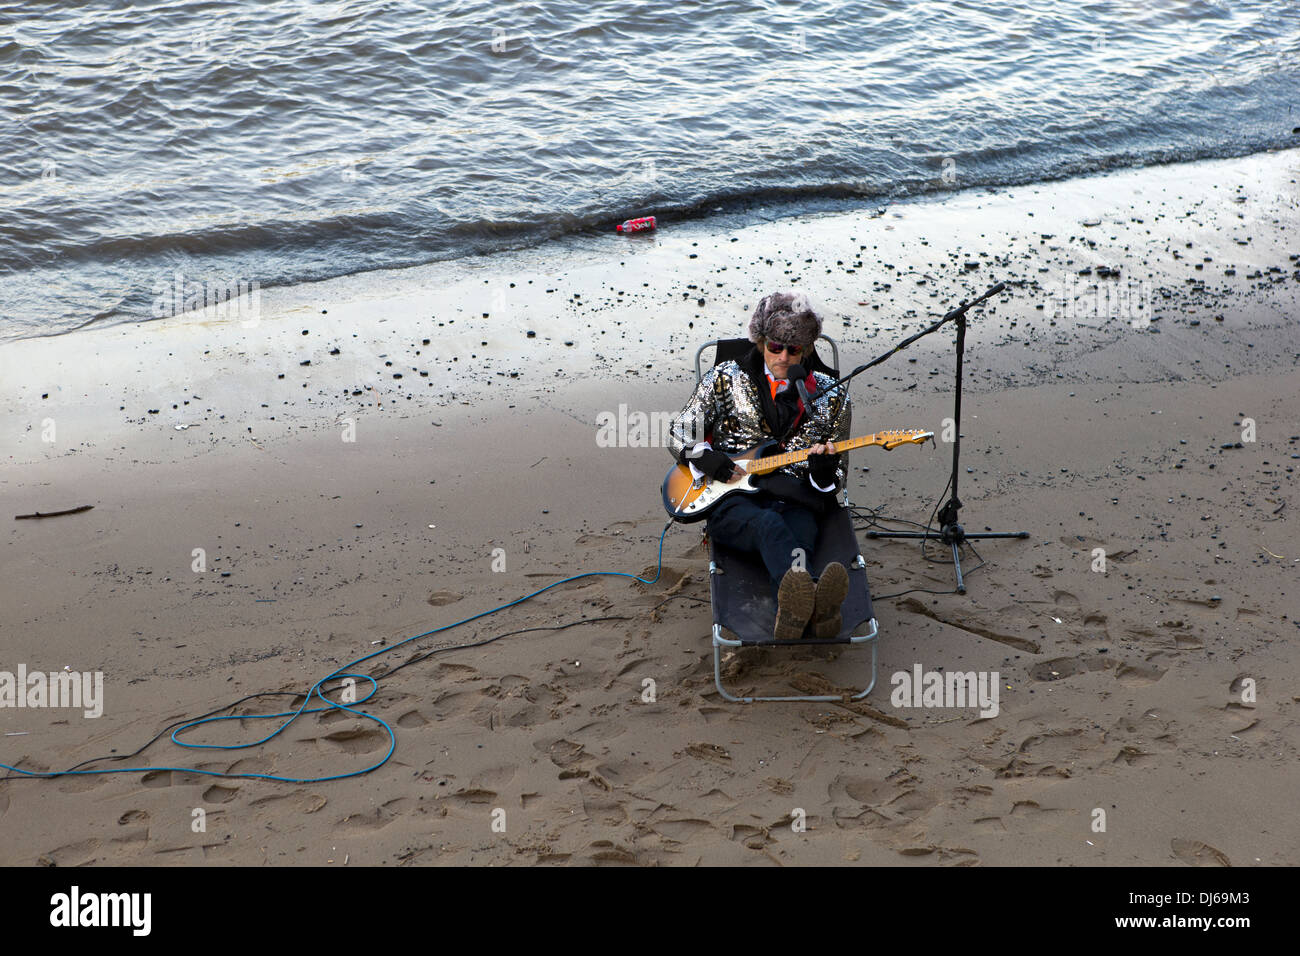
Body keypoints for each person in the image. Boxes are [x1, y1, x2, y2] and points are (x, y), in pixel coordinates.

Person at [667, 290, 852, 640]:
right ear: (761, 341)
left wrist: (823, 472)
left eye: (793, 349)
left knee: (799, 537)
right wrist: (705, 457)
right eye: (774, 346)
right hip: (730, 497)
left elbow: (839, 475)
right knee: (767, 525)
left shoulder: (832, 394)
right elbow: (679, 431)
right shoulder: (725, 376)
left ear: (808, 350)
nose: (782, 356)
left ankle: (799, 607)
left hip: (795, 496)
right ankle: (816, 610)